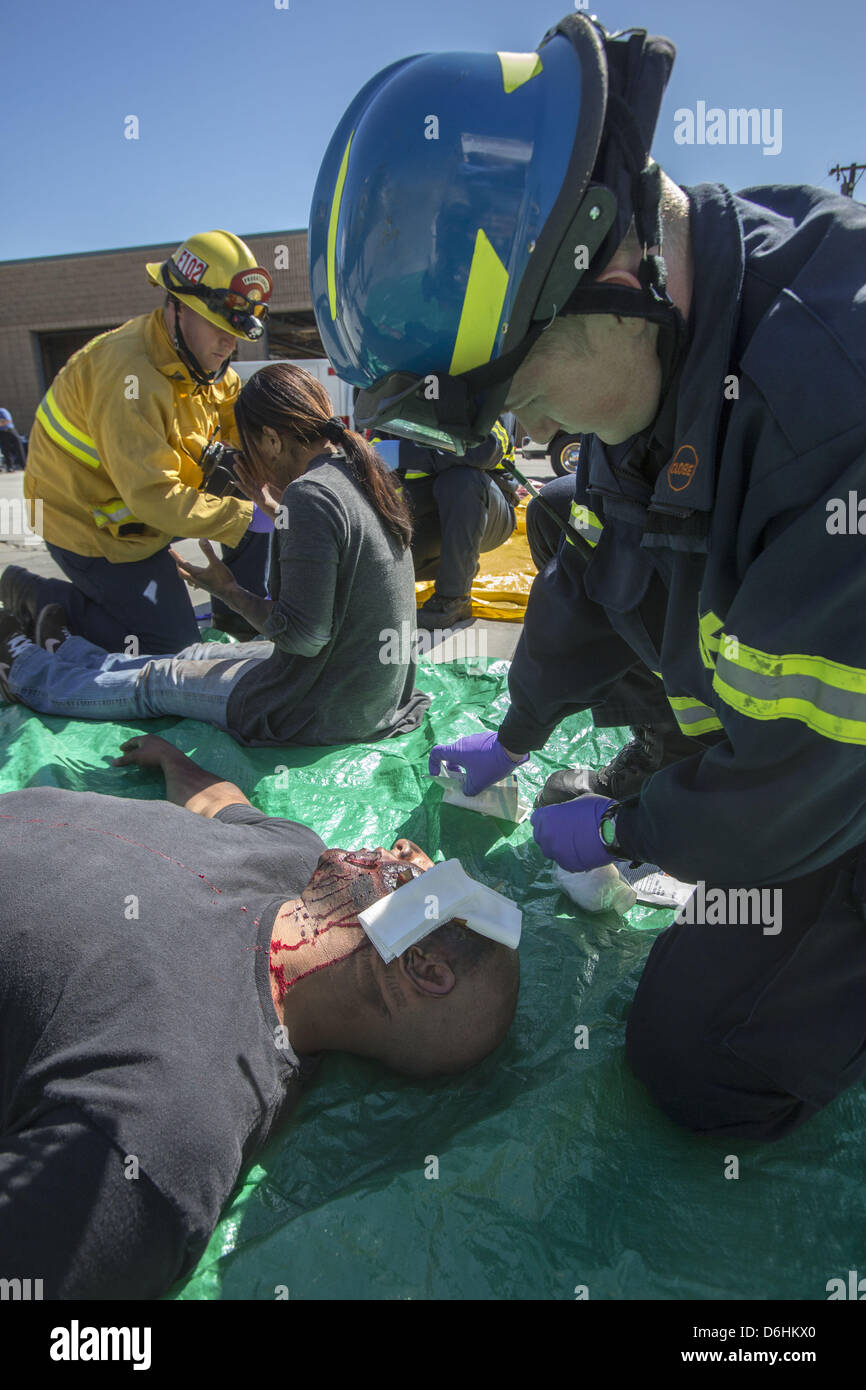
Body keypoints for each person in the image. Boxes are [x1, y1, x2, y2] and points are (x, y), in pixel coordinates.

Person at [307, 12, 866, 1140]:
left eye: (518, 394)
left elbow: (808, 769)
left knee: (703, 1059)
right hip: (808, 725)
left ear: (608, 267)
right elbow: (601, 564)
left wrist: (639, 832)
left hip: (841, 764)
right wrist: (517, 731)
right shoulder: (658, 348)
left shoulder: (836, 407)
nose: (526, 427)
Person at [0, 732, 520, 1298]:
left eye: (423, 878)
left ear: (422, 968)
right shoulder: (295, 853)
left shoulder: (172, 1113)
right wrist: (175, 760)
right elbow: (217, 801)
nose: (403, 846)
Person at [0, 363, 430, 746]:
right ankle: (73, 655)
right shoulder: (360, 470)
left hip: (319, 708)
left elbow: (303, 637)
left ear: (272, 439)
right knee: (190, 656)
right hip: (367, 690)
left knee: (158, 680)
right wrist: (277, 515)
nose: (252, 461)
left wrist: (228, 590)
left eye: (251, 447)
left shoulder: (311, 495)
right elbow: (342, 553)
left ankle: (24, 671)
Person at [1, 230, 274, 654]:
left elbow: (249, 449)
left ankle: (239, 619)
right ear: (177, 306)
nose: (229, 343)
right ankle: (34, 594)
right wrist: (246, 517)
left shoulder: (210, 369)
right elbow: (155, 495)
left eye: (235, 330)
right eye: (217, 325)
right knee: (168, 647)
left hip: (148, 519)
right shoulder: (128, 378)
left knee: (260, 498)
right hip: (90, 527)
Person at [372, 418, 519, 628]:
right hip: (430, 512)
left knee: (461, 480)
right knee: (377, 564)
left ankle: (454, 599)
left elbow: (485, 450)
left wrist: (404, 454)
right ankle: (452, 563)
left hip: (486, 509)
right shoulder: (394, 402)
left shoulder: (485, 392)